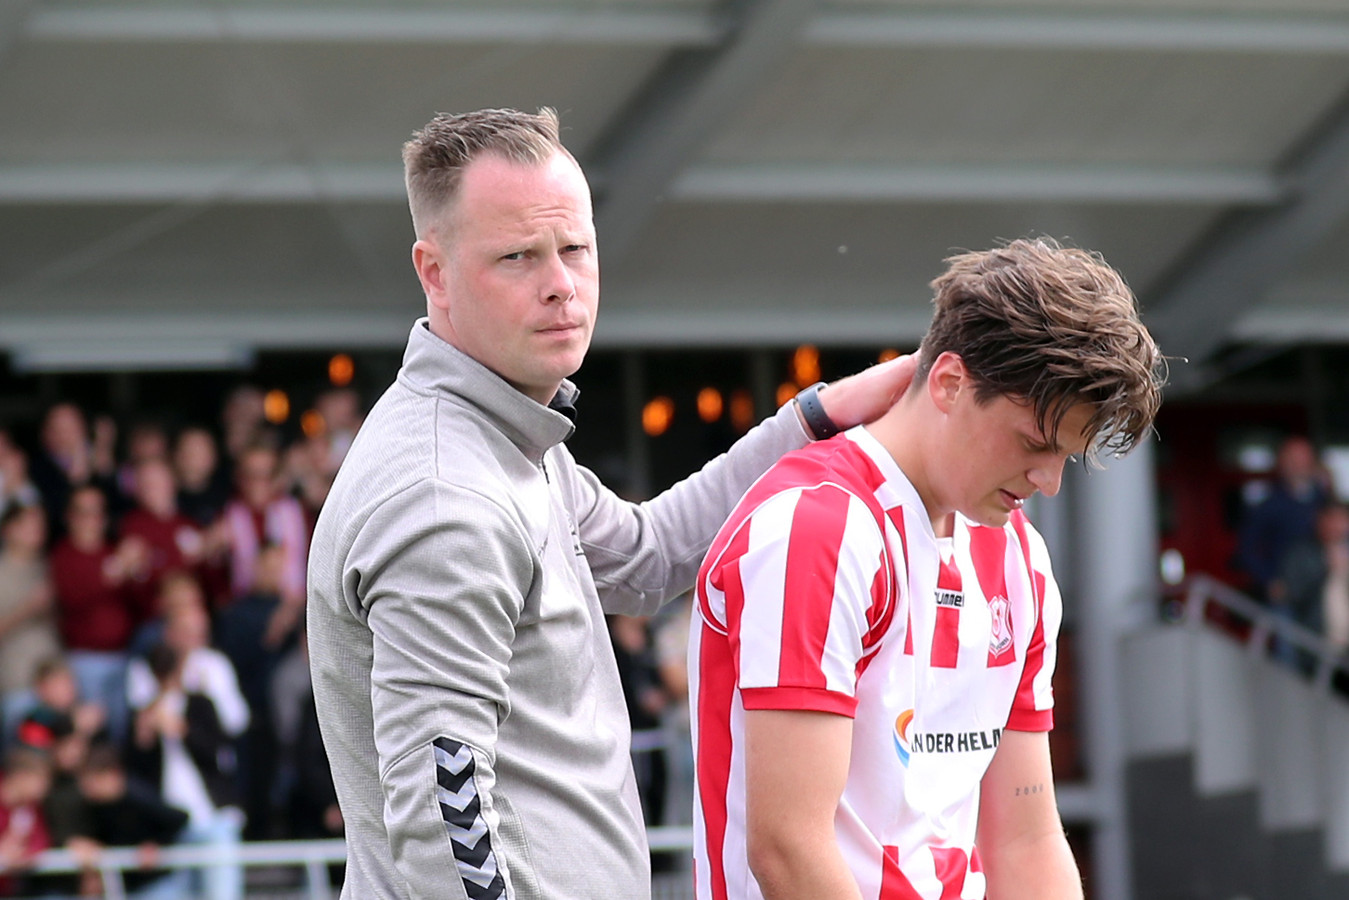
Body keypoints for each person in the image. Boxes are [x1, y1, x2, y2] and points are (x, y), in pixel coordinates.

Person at [306, 106, 913, 900]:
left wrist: (813, 418)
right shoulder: (446, 493)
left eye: (574, 249)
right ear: (434, 273)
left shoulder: (504, 436)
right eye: (518, 256)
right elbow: (441, 820)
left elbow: (646, 556)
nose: (559, 284)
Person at [689, 239, 1164, 900]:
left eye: (1068, 456)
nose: (1048, 482)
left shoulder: (1018, 555)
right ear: (947, 384)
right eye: (1034, 443)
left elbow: (1023, 839)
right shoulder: (816, 528)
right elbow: (788, 849)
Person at [49, 485, 141, 741]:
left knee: (121, 732)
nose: (90, 520)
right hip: (85, 659)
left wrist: (136, 572)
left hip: (123, 655)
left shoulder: (112, 552)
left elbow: (137, 603)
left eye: (96, 513)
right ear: (69, 517)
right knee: (90, 732)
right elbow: (72, 598)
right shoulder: (63, 554)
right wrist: (114, 573)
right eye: (82, 512)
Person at [0, 503, 61, 731]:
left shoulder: (46, 566)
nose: (37, 530)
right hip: (18, 681)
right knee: (25, 757)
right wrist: (29, 608)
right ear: (8, 529)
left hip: (53, 679)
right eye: (28, 524)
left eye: (40, 524)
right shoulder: (2, 570)